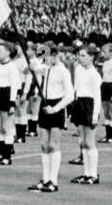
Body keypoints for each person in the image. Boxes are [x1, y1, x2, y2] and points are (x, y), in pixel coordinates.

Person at [29, 42, 72, 192]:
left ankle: (53, 181)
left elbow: (70, 95)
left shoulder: (63, 71)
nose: (44, 60)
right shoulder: (45, 68)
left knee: (53, 145)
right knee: (43, 144)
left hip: (56, 106)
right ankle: (45, 179)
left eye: (47, 57)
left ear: (54, 56)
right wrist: (40, 52)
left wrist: (55, 109)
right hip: (45, 104)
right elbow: (33, 66)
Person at [69, 45, 102, 185]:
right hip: (80, 103)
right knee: (82, 141)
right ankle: (86, 173)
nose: (80, 58)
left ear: (91, 57)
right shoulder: (78, 70)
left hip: (89, 105)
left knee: (90, 142)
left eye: (83, 56)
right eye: (79, 55)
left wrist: (95, 115)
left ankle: (93, 174)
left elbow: (97, 96)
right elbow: (76, 89)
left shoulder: (95, 74)